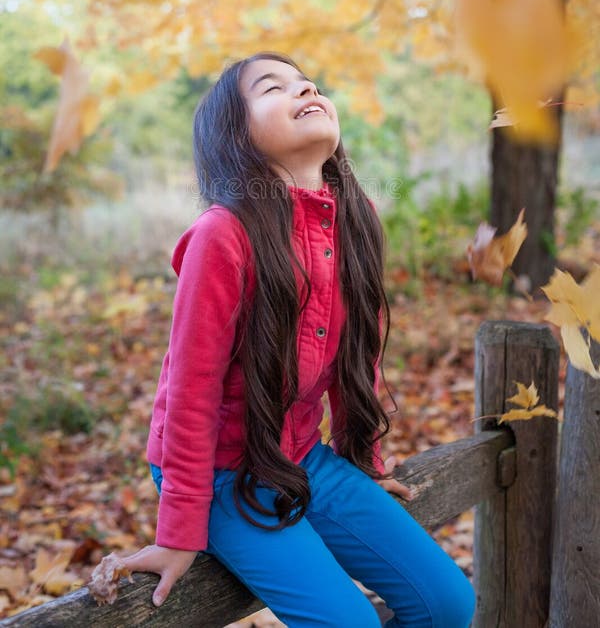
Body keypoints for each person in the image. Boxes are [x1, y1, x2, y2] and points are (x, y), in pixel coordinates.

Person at [122, 52, 476, 628]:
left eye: (307, 81)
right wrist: (179, 530)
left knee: (447, 603)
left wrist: (363, 462)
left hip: (300, 456)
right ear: (237, 136)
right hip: (219, 473)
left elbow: (359, 353)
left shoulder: (354, 217)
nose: (304, 87)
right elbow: (191, 392)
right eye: (272, 87)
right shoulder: (224, 235)